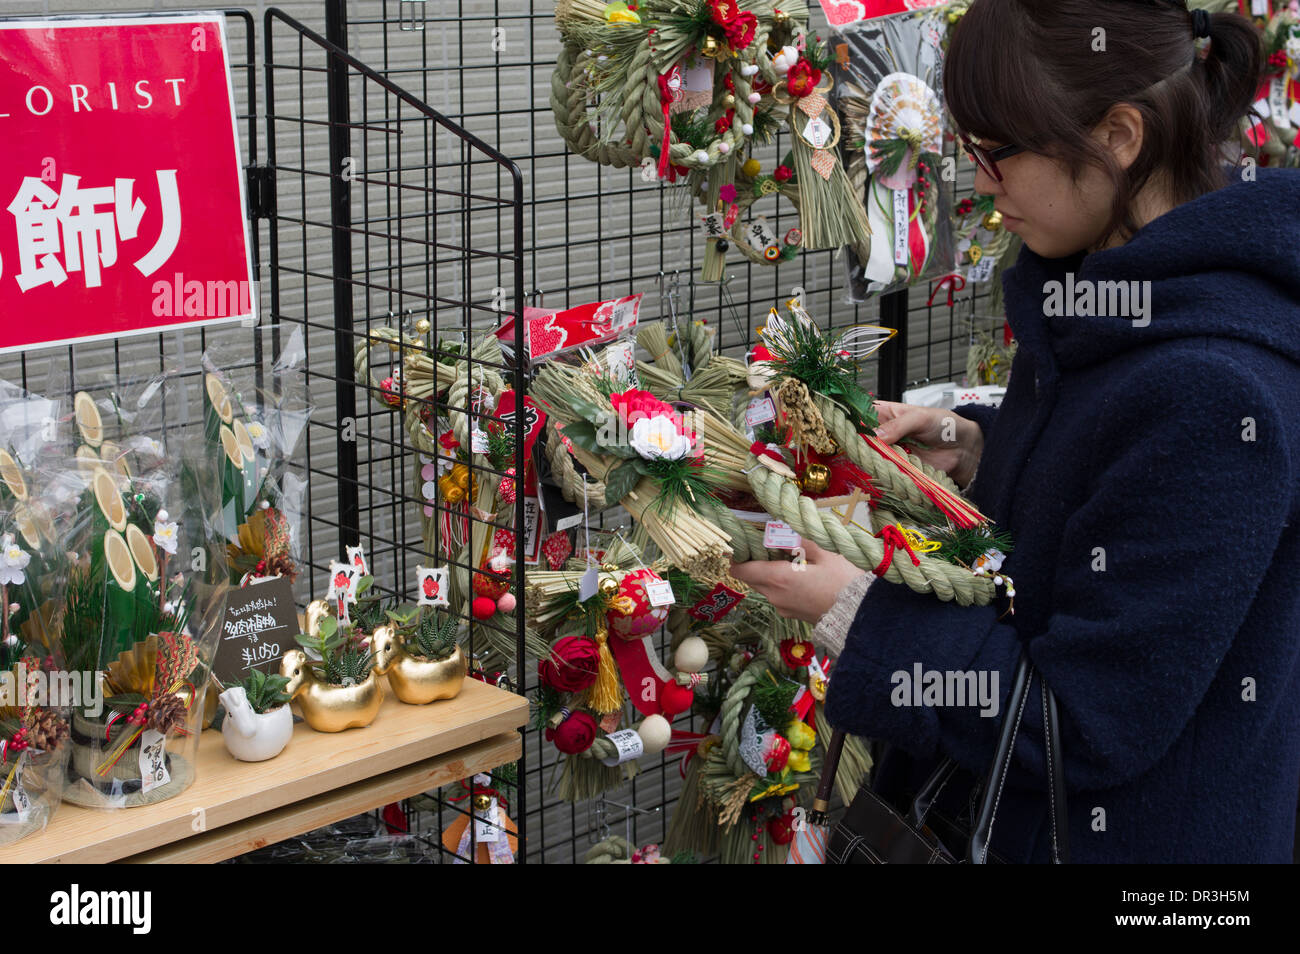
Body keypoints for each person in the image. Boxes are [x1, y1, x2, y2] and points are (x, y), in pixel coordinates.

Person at [732, 0, 1300, 863]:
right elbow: (1118, 476)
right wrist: (978, 445)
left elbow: (1082, 722)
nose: (982, 184)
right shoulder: (1119, 289)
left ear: (1118, 135)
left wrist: (856, 614)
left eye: (997, 154)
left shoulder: (1215, 390)